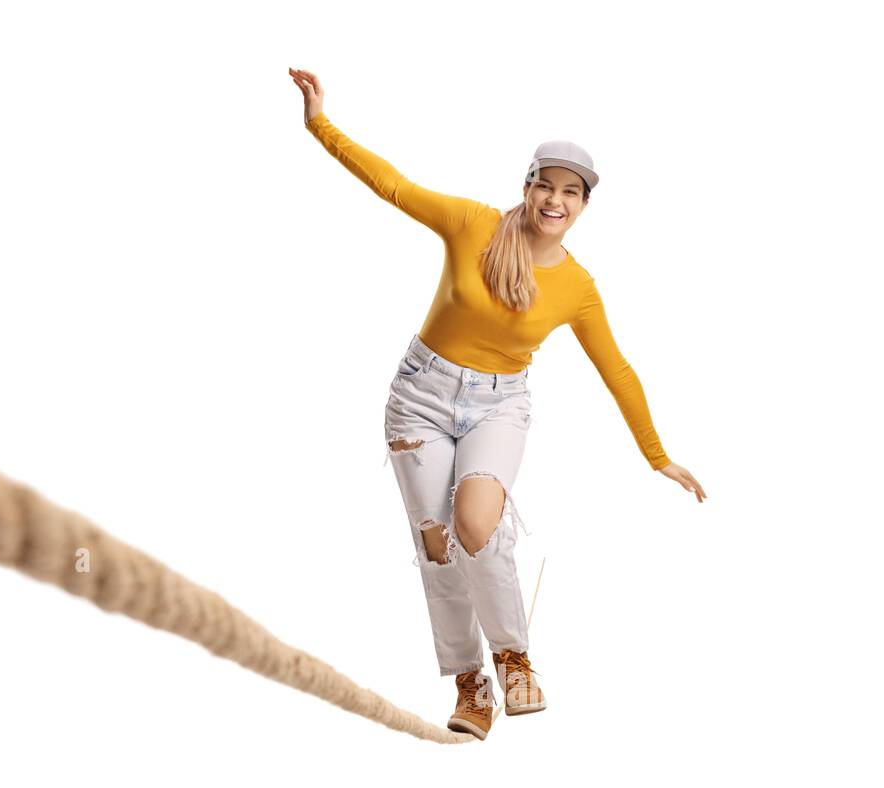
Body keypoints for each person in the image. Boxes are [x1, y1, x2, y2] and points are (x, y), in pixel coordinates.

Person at [288, 67, 706, 741]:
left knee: (475, 524)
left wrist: (657, 456)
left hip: (497, 407)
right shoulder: (472, 225)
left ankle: (513, 657)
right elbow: (392, 184)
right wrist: (319, 124)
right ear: (528, 188)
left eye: (573, 192)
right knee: (437, 547)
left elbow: (618, 369)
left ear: (583, 206)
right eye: (548, 184)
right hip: (419, 398)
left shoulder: (577, 286)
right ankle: (469, 681)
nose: (557, 199)